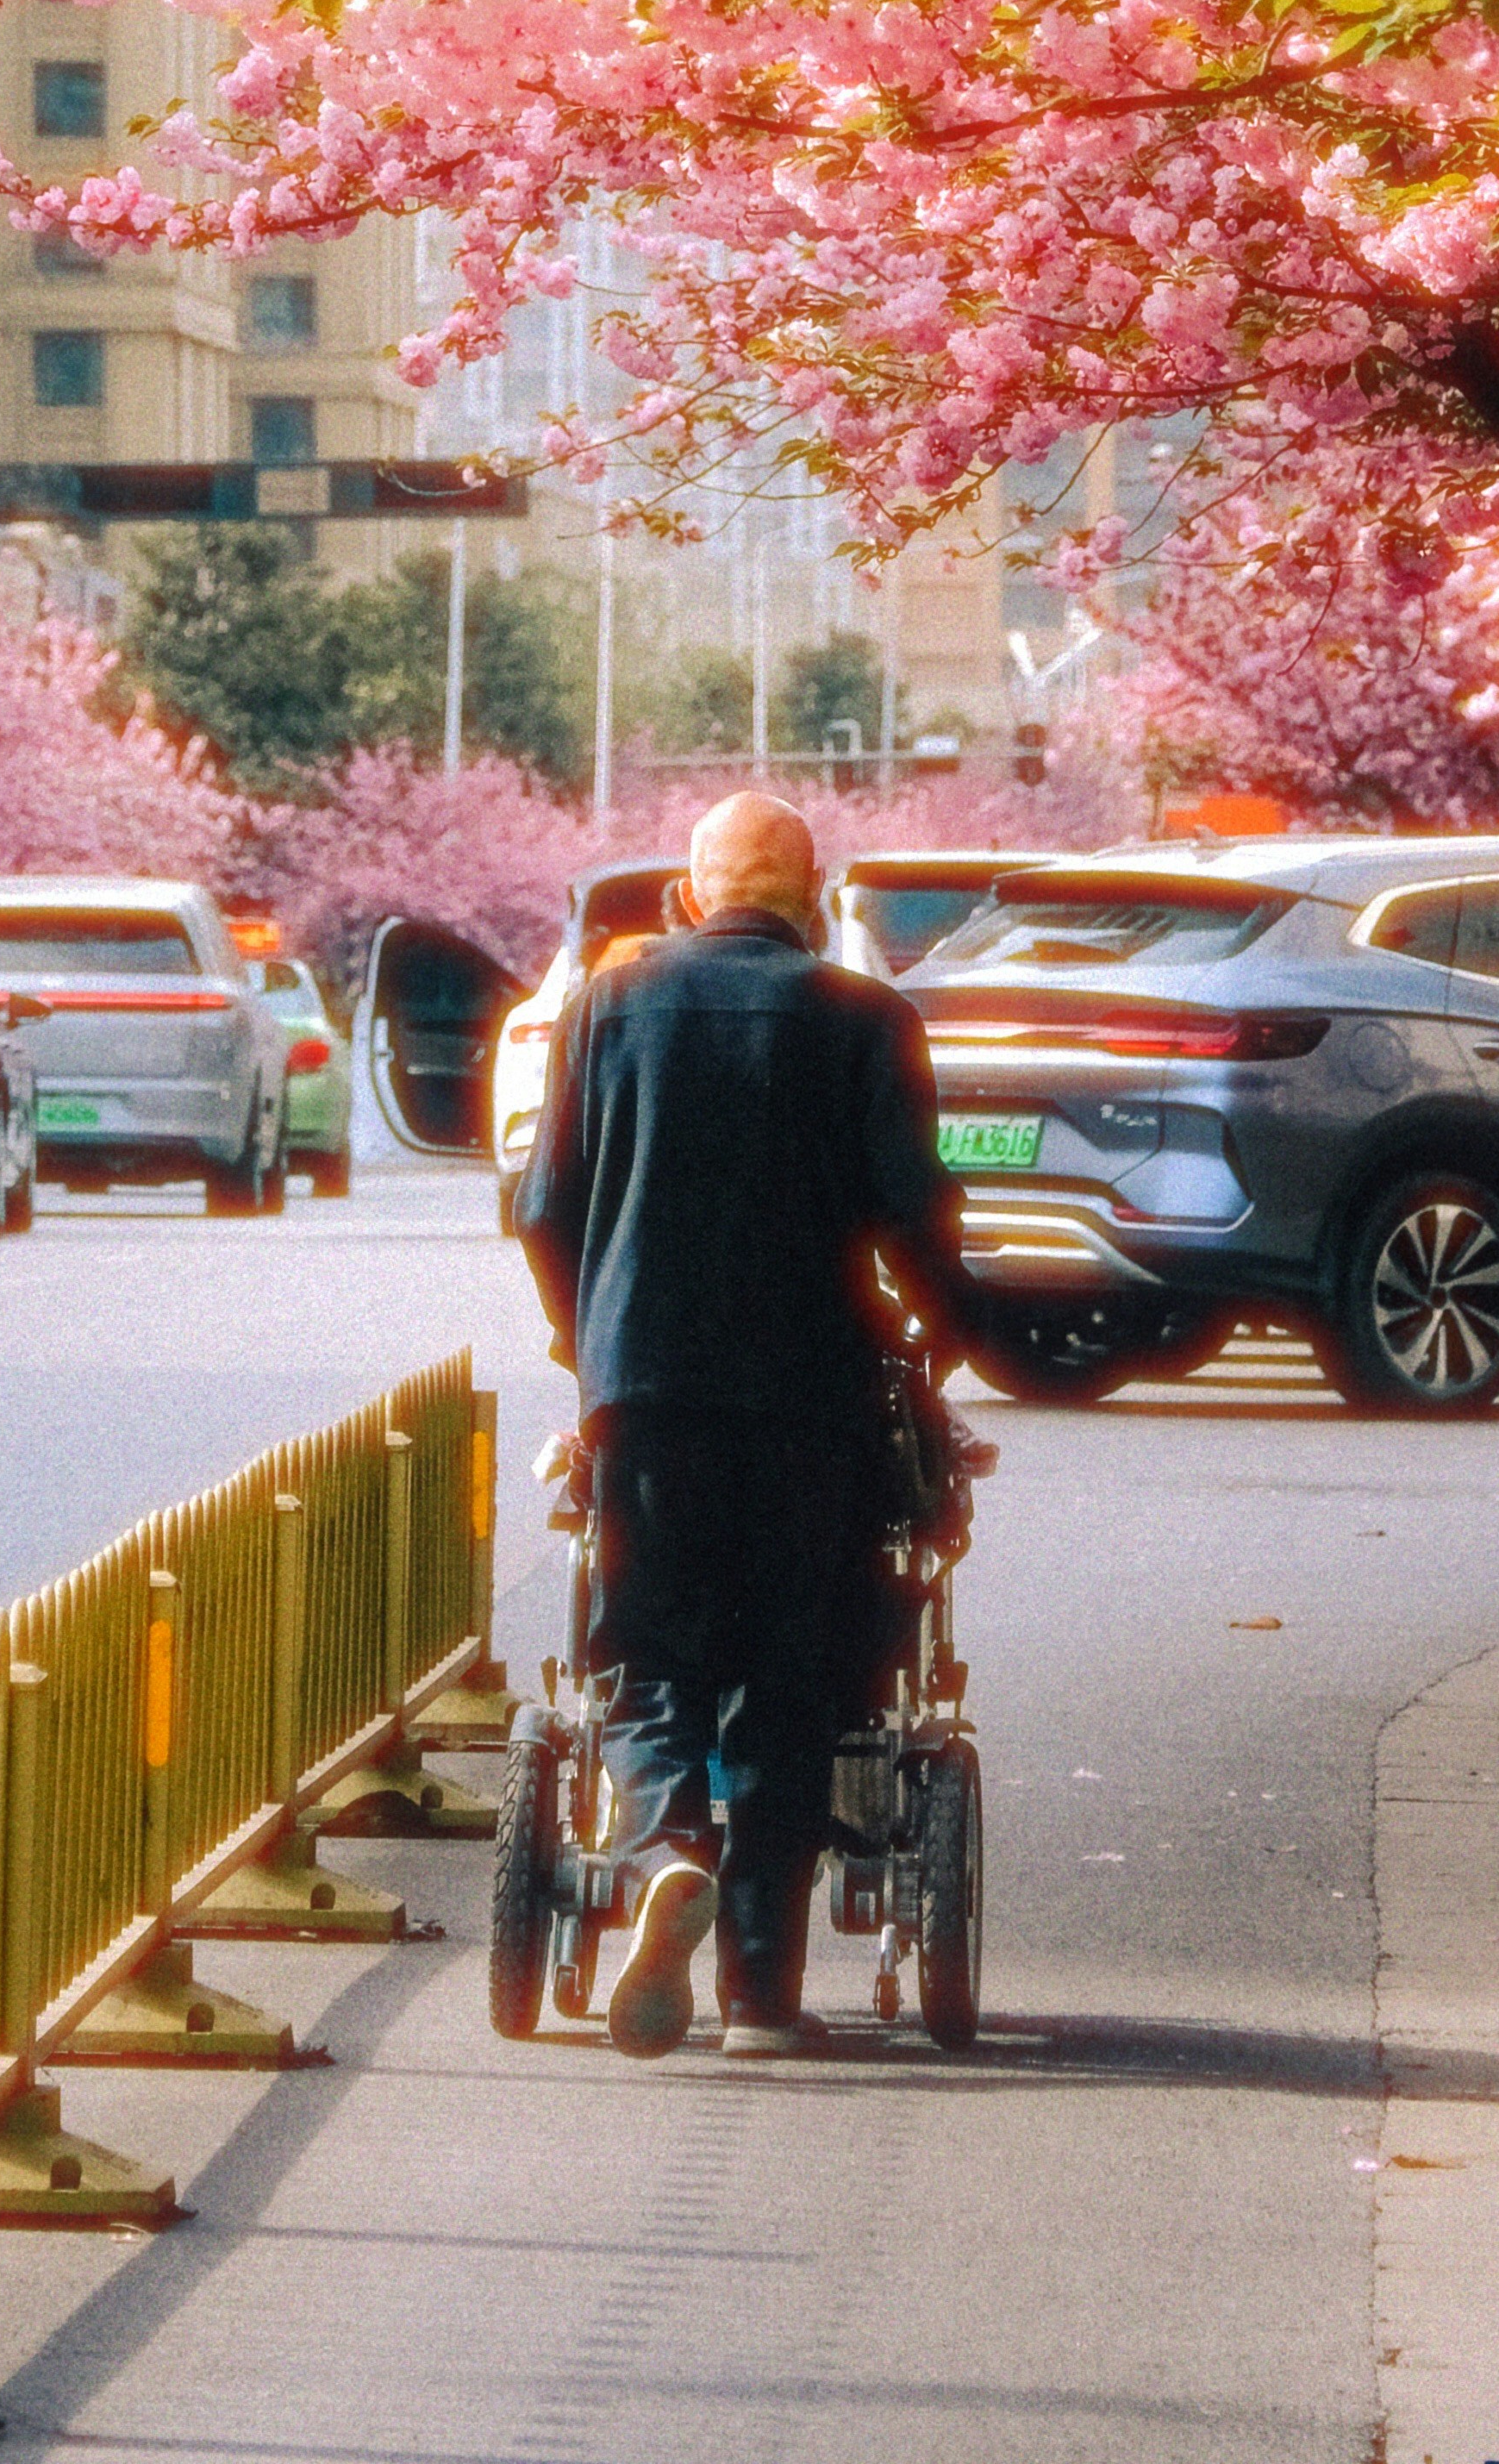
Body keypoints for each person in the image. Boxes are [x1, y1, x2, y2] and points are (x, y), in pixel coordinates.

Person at [513, 783, 967, 2061]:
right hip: (815, 1402)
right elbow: (915, 1216)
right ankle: (762, 1995)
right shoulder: (867, 1017)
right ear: (812, 901)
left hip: (648, 1390)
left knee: (648, 1643)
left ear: (688, 897)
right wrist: (955, 1335)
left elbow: (547, 1201)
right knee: (795, 1669)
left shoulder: (609, 1003)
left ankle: (664, 1842)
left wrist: (586, 1340)